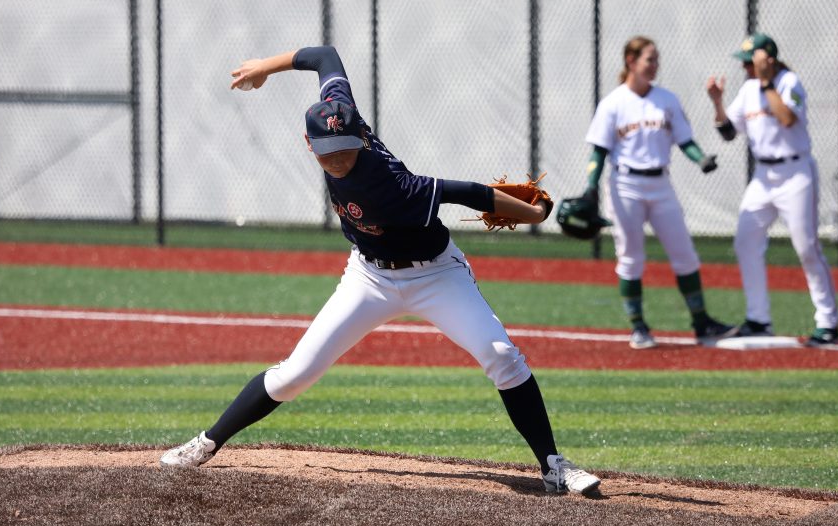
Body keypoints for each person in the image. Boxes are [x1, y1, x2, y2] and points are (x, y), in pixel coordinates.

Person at [160, 45, 601, 495]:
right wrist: (265, 68)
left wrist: (535, 215)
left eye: (345, 149)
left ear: (358, 136)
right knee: (294, 375)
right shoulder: (341, 112)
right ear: (309, 143)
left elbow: (466, 192)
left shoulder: (390, 184)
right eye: (327, 151)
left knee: (503, 357)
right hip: (369, 277)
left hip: (436, 276)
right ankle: (207, 442)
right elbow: (323, 57)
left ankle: (554, 466)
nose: (338, 159)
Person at [581, 35, 736, 350]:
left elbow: (685, 140)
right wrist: (590, 188)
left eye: (656, 59)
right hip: (625, 186)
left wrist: (701, 159)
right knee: (631, 257)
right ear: (631, 61)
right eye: (649, 59)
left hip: (661, 183)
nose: (655, 65)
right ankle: (638, 327)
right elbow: (599, 151)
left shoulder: (666, 99)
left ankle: (702, 323)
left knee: (684, 254)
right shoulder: (613, 103)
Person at [705, 33, 838, 346]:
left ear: (768, 59)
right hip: (764, 176)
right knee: (745, 242)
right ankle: (758, 318)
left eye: (750, 62)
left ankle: (828, 322)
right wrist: (717, 103)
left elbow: (787, 118)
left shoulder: (788, 82)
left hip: (795, 172)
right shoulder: (749, 89)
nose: (746, 68)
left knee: (806, 248)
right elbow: (728, 132)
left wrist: (767, 83)